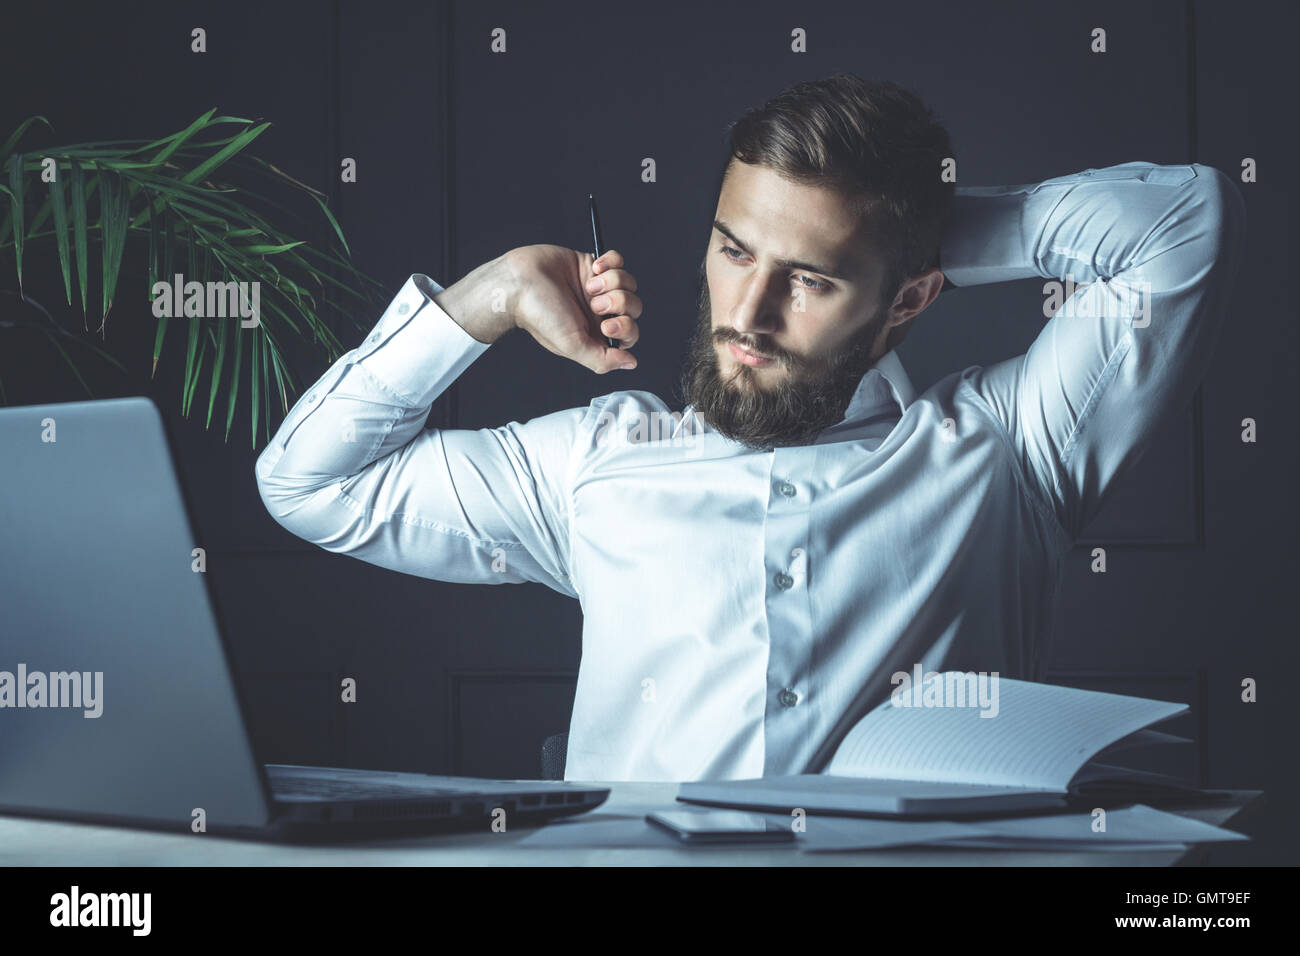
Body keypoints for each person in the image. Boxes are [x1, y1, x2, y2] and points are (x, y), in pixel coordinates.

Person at [255, 73, 1245, 782]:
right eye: (734, 248)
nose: (748, 311)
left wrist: (907, 224)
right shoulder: (599, 462)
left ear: (907, 304)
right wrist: (493, 292)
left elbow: (1178, 224)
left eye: (808, 278)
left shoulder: (1010, 451)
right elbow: (311, 481)